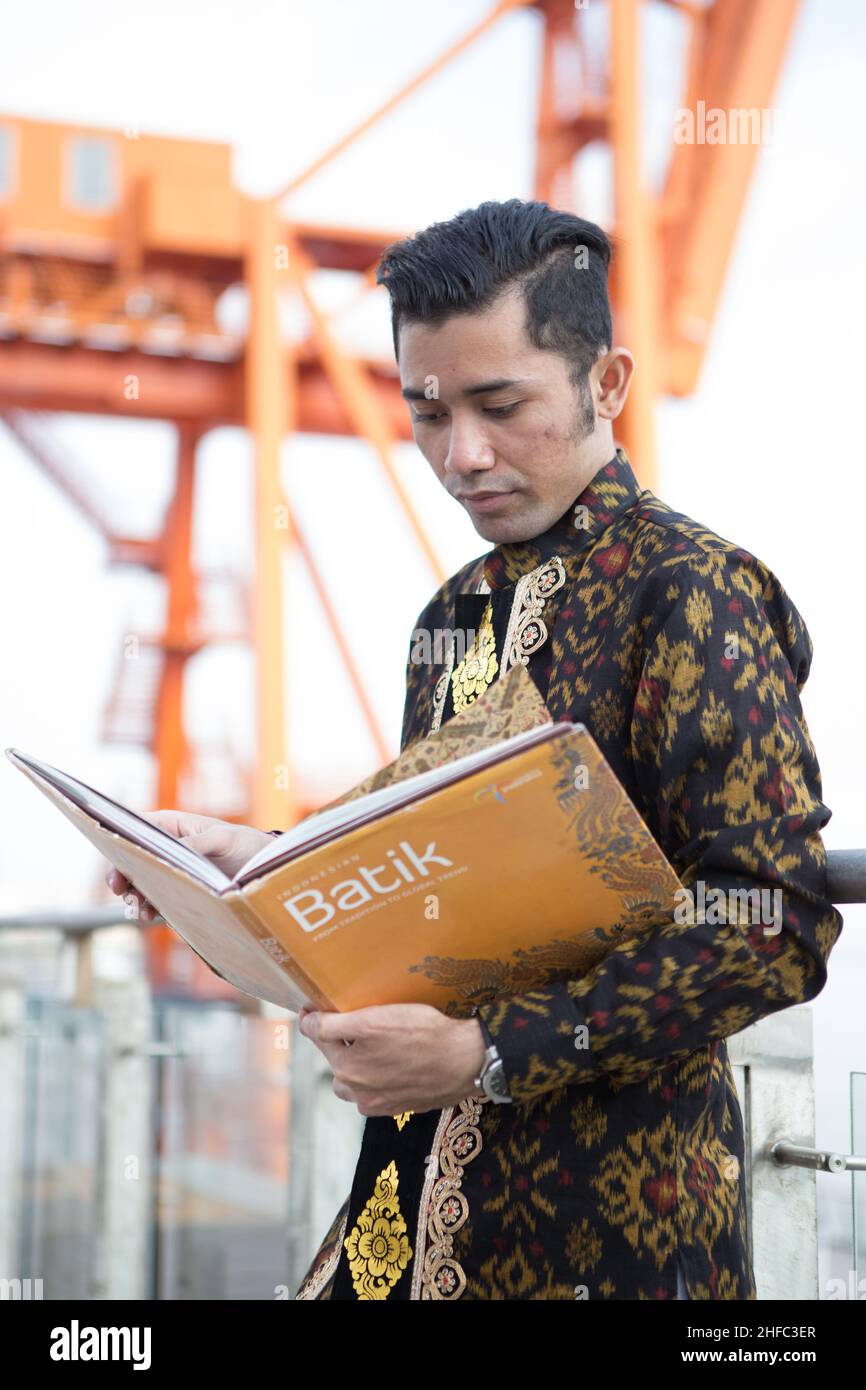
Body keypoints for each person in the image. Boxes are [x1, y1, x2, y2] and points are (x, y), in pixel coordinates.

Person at [107, 198, 843, 1301]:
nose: (461, 454)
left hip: (610, 1236)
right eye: (427, 409)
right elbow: (421, 879)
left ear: (606, 384)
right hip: (398, 1221)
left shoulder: (688, 591)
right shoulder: (449, 615)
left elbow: (773, 920)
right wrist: (229, 865)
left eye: (500, 405)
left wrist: (491, 1048)